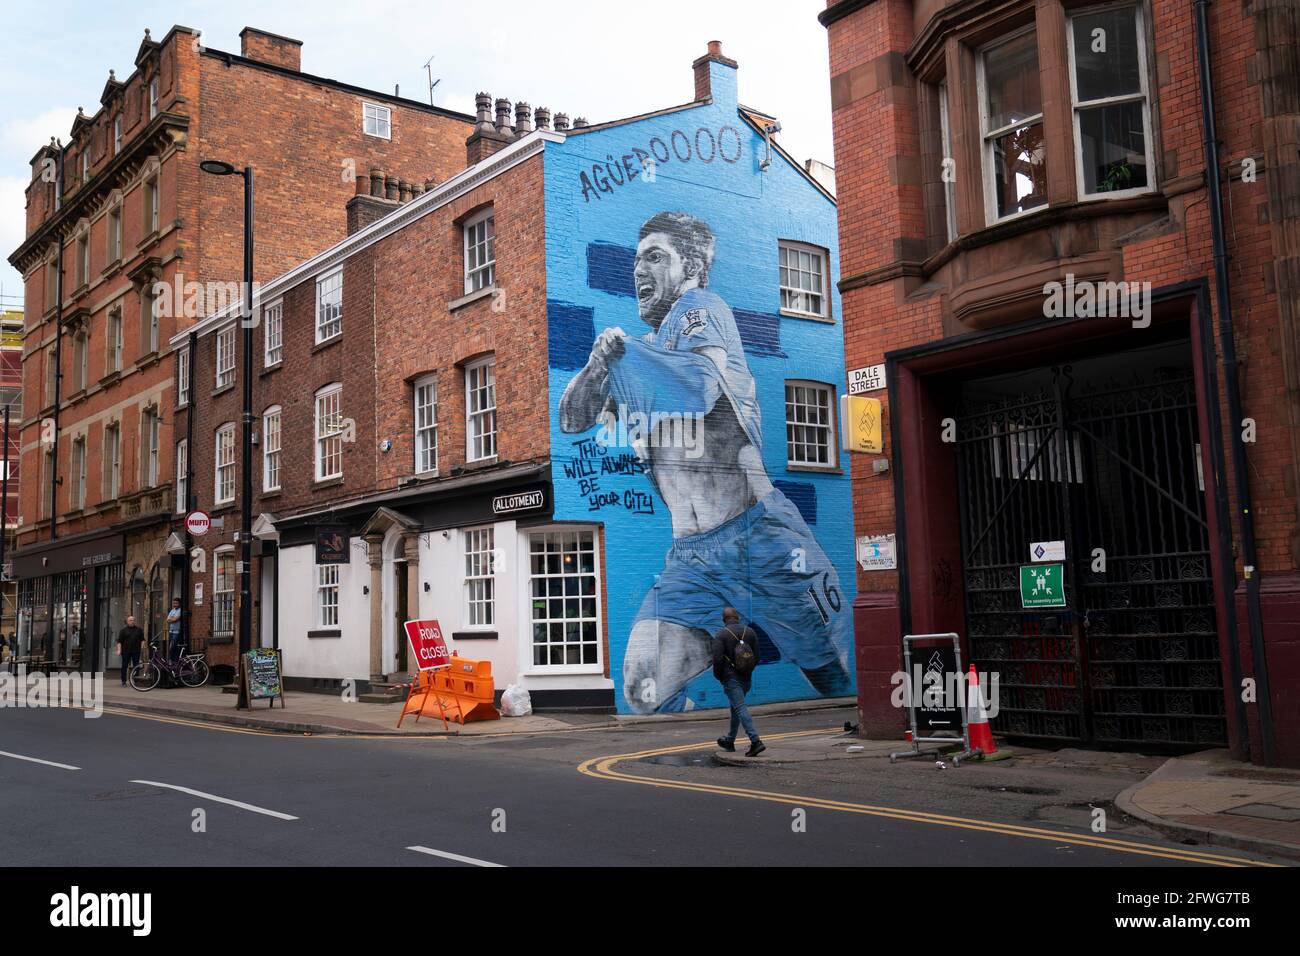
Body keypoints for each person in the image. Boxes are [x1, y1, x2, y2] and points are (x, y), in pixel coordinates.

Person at [560, 210, 854, 713]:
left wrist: (625, 357)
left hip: (763, 535)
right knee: (642, 687)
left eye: (655, 257)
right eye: (635, 260)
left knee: (836, 675)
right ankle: (693, 747)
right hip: (691, 558)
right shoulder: (634, 359)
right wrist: (596, 365)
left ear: (692, 265)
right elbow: (571, 419)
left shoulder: (702, 308)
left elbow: (698, 386)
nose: (638, 270)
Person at [712, 607, 764, 757]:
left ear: (724, 619)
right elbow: (757, 657)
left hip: (731, 678)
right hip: (746, 678)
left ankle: (756, 742)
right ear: (738, 617)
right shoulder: (750, 632)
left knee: (740, 708)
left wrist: (720, 677)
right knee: (736, 708)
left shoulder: (721, 635)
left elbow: (717, 660)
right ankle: (730, 740)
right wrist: (747, 671)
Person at [116, 615, 145, 686]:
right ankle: (123, 681)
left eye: (133, 620)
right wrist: (119, 650)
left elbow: (143, 640)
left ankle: (136, 681)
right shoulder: (123, 631)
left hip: (136, 651)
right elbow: (119, 641)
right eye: (130, 620)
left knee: (136, 666)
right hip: (126, 651)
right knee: (124, 666)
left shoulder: (139, 630)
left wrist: (141, 648)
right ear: (127, 621)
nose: (132, 622)